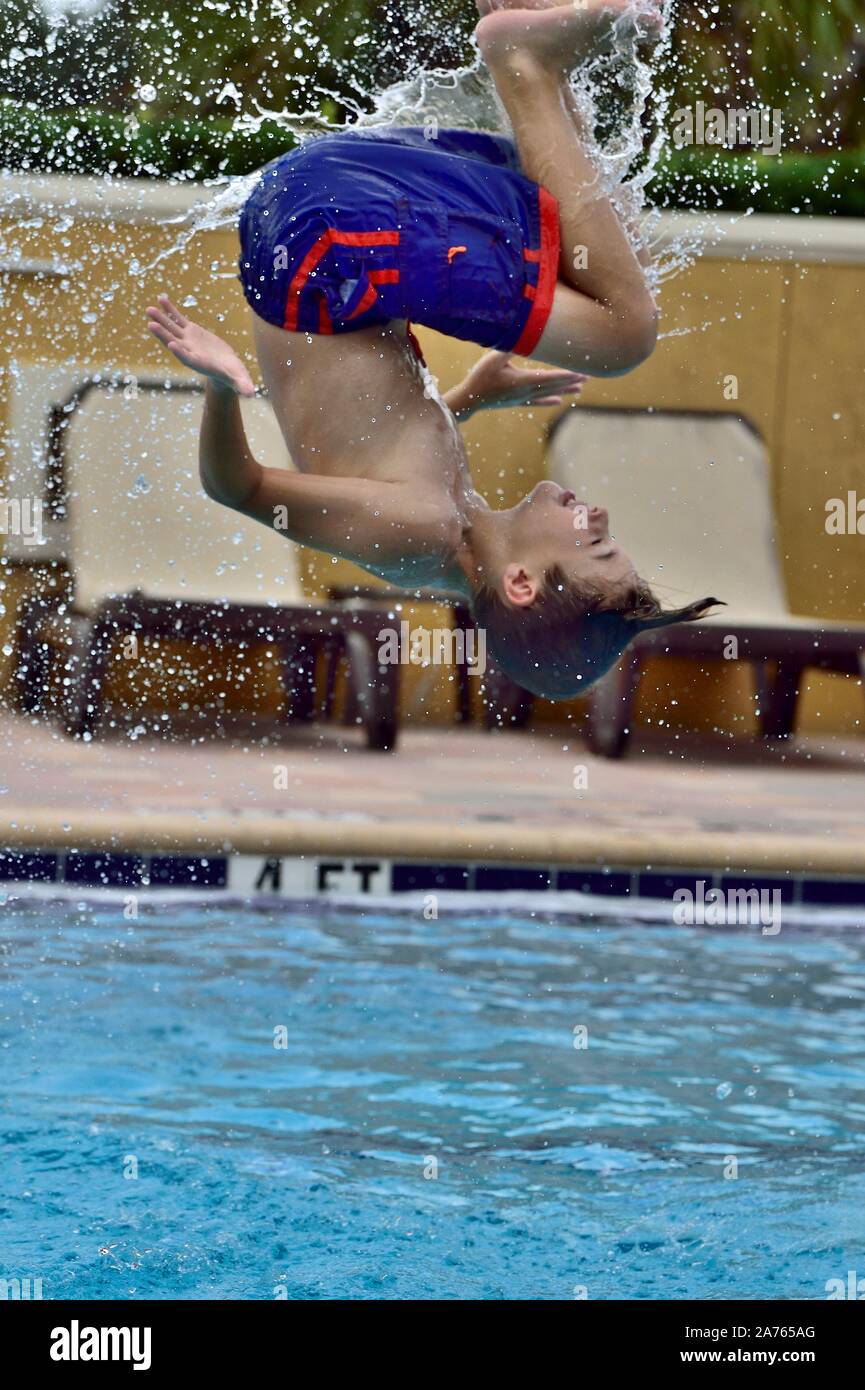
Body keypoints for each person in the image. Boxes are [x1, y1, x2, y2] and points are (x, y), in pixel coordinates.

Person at [146, 1, 719, 700]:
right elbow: (372, 437)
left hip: (323, 255)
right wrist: (469, 398)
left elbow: (241, 488)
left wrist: (217, 383)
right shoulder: (446, 529)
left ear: (519, 583)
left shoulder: (421, 532)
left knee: (622, 335)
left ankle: (526, 60)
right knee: (586, 233)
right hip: (315, 224)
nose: (596, 517)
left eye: (593, 542)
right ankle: (525, 26)